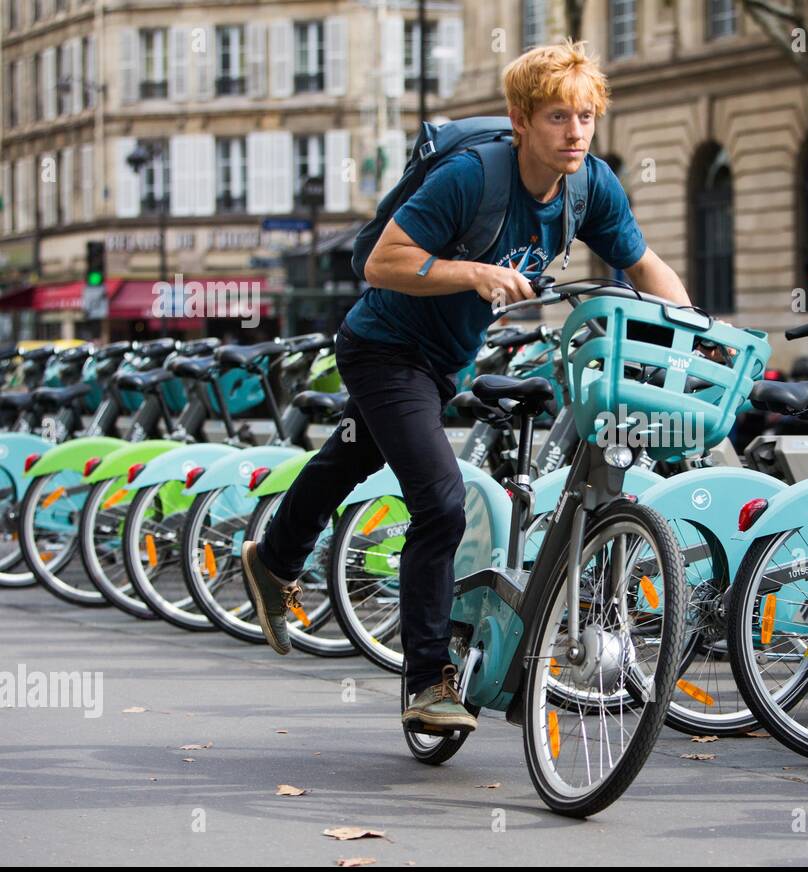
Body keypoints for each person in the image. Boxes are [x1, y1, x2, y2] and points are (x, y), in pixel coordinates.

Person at [240, 40, 689, 737]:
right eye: (556, 118)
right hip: (384, 348)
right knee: (442, 503)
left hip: (445, 359)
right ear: (519, 120)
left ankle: (273, 559)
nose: (574, 133)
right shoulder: (473, 178)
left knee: (356, 450)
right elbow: (383, 262)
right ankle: (427, 681)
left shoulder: (590, 186)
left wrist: (693, 331)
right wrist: (471, 273)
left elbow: (644, 263)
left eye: (586, 117)